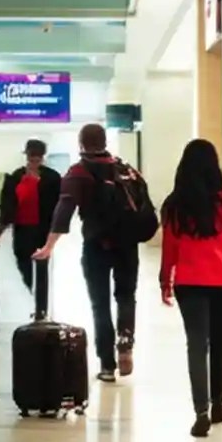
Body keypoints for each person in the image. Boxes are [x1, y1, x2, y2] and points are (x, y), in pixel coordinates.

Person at [34, 123, 154, 382]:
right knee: (126, 296)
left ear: (81, 144)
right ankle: (125, 341)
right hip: (127, 244)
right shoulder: (125, 168)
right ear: (103, 141)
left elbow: (64, 210)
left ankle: (107, 365)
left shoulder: (79, 172)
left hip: (97, 246)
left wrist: (48, 246)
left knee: (100, 304)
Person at [159, 139, 222, 437]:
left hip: (191, 282)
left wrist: (164, 280)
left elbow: (169, 248)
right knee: (220, 341)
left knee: (197, 345)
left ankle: (201, 412)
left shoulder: (174, 205)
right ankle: (219, 404)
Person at [0, 139, 61, 319]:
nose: (34, 159)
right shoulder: (16, 177)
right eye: (31, 156)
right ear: (27, 155)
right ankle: (34, 296)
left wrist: (56, 233)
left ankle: (41, 308)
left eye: (37, 156)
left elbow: (59, 206)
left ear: (42, 156)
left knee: (42, 269)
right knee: (23, 266)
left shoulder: (52, 178)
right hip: (23, 229)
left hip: (43, 230)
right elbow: (7, 207)